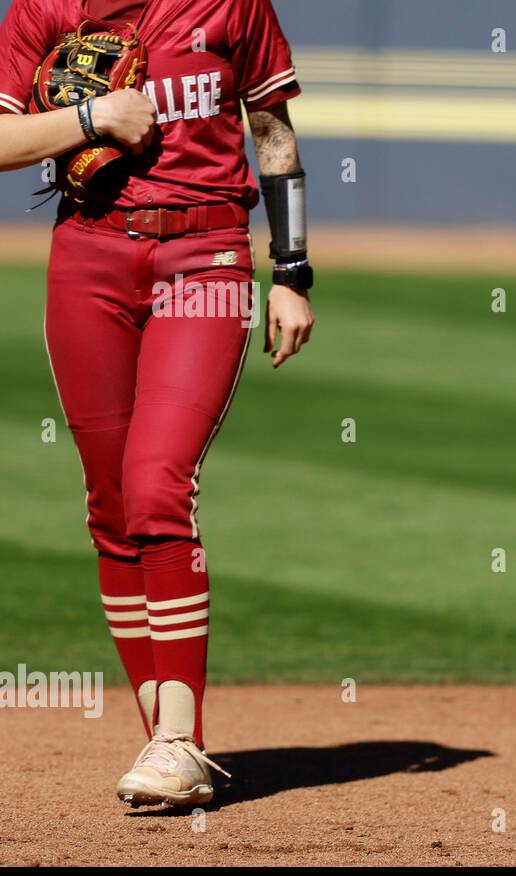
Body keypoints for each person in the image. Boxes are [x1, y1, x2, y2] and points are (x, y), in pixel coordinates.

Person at [0, 0, 315, 808]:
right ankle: (161, 741)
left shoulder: (233, 5)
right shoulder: (44, 8)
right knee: (110, 505)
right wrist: (91, 115)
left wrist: (292, 272)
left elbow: (272, 133)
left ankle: (179, 741)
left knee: (156, 483)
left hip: (206, 255)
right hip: (89, 255)